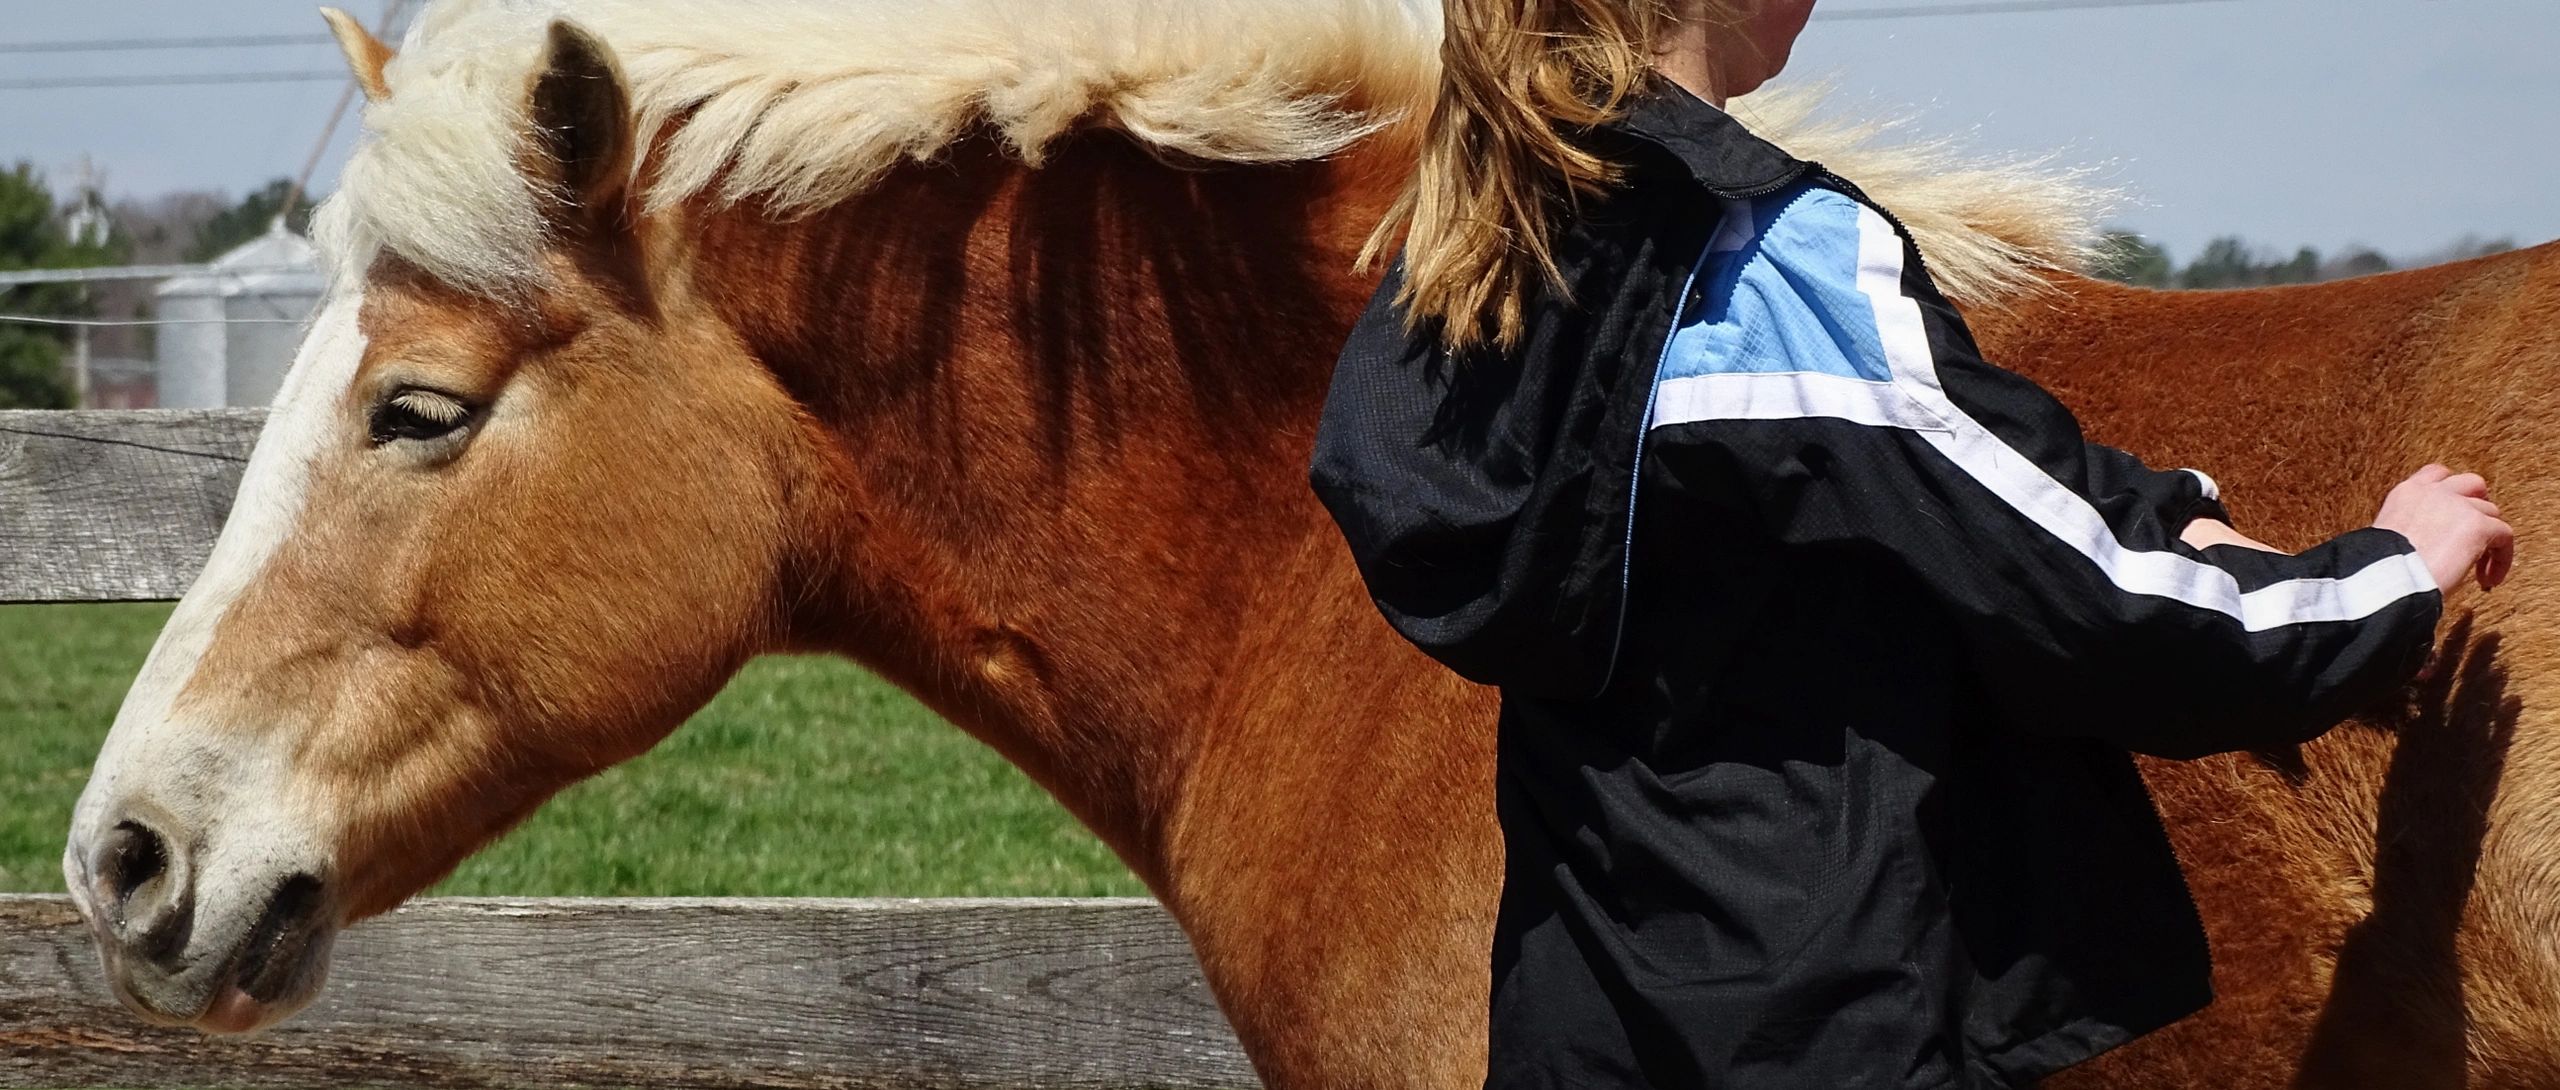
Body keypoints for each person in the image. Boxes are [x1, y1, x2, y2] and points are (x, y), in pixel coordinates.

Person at [1307, 0, 2517, 1086]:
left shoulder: (1467, 276)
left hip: (1581, 1023)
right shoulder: (1777, 264)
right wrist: (2384, 578)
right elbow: (2081, 596)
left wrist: (2166, 508)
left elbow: (1963, 470)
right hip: (1830, 1025)